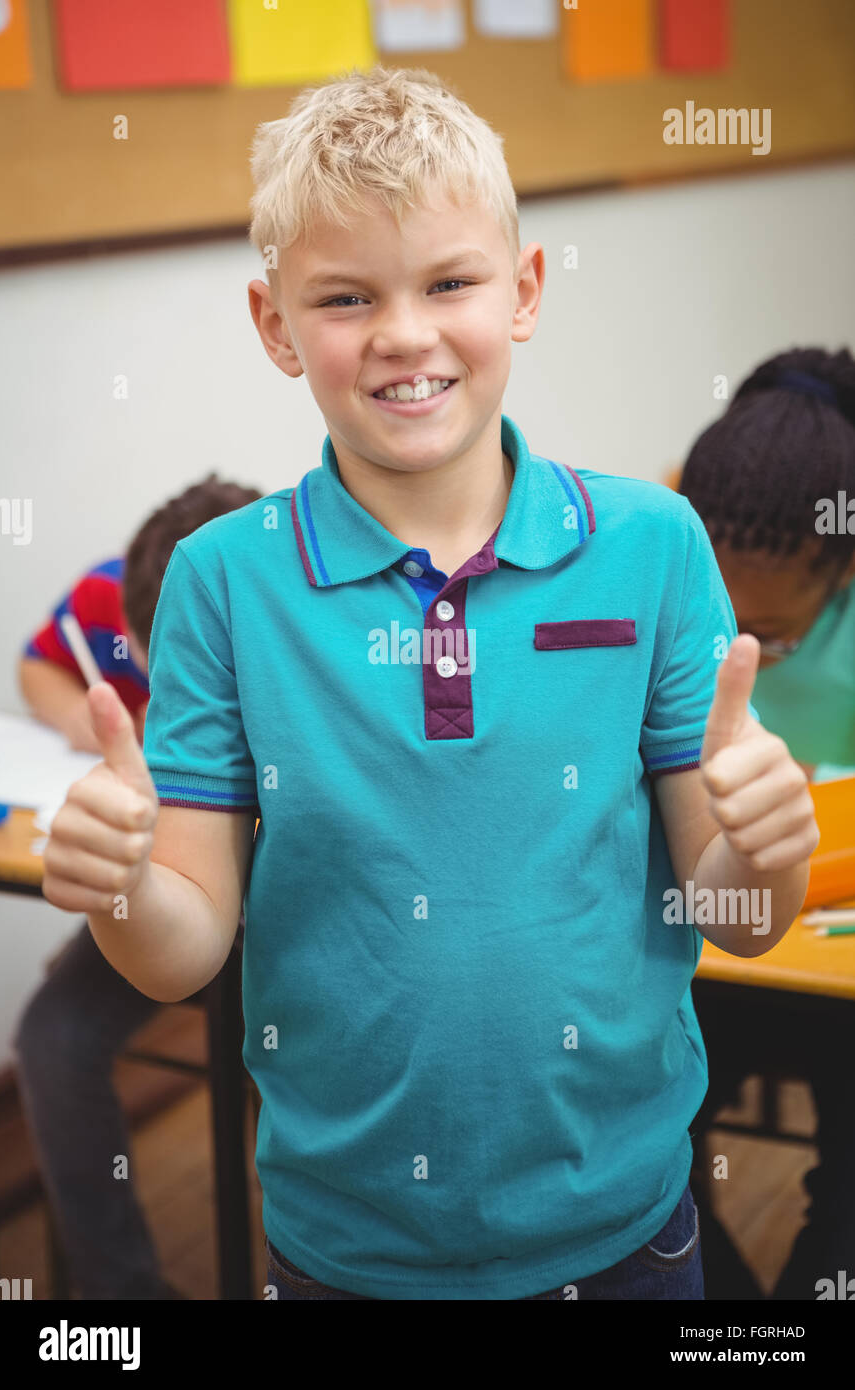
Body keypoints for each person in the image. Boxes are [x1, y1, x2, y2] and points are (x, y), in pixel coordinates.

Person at [40, 65, 819, 1301]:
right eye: (345, 297)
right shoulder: (223, 583)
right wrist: (123, 885)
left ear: (520, 291)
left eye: (448, 282)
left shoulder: (652, 546)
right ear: (274, 323)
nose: (404, 334)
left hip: (621, 1232)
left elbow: (731, 917)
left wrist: (764, 853)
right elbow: (181, 953)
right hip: (342, 1250)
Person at [12, 474, 261, 1300]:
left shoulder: (297, 616)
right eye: (157, 676)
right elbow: (37, 665)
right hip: (160, 893)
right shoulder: (107, 595)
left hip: (296, 914)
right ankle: (122, 1295)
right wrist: (79, 718)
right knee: (52, 1038)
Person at [677, 347, 855, 1301]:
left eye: (774, 641)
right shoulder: (651, 560)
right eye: (719, 628)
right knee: (633, 1136)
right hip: (711, 959)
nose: (742, 659)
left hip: (836, 974)